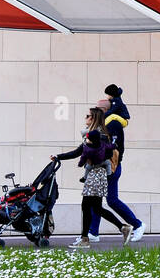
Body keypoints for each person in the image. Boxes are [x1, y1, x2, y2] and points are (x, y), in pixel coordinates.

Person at [53, 106, 126, 248]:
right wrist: (58, 157)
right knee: (96, 208)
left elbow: (107, 154)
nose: (85, 118)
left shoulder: (99, 135)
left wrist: (93, 157)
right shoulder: (93, 135)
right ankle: (122, 228)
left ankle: (85, 239)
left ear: (93, 119)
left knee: (86, 206)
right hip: (95, 175)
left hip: (96, 175)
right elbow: (78, 152)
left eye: (87, 116)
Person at [89, 85, 145, 243]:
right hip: (103, 166)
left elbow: (117, 147)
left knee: (111, 200)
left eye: (98, 110)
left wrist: (113, 164)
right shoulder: (103, 124)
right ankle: (93, 232)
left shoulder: (113, 124)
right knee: (96, 198)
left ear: (105, 110)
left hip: (111, 167)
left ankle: (138, 225)